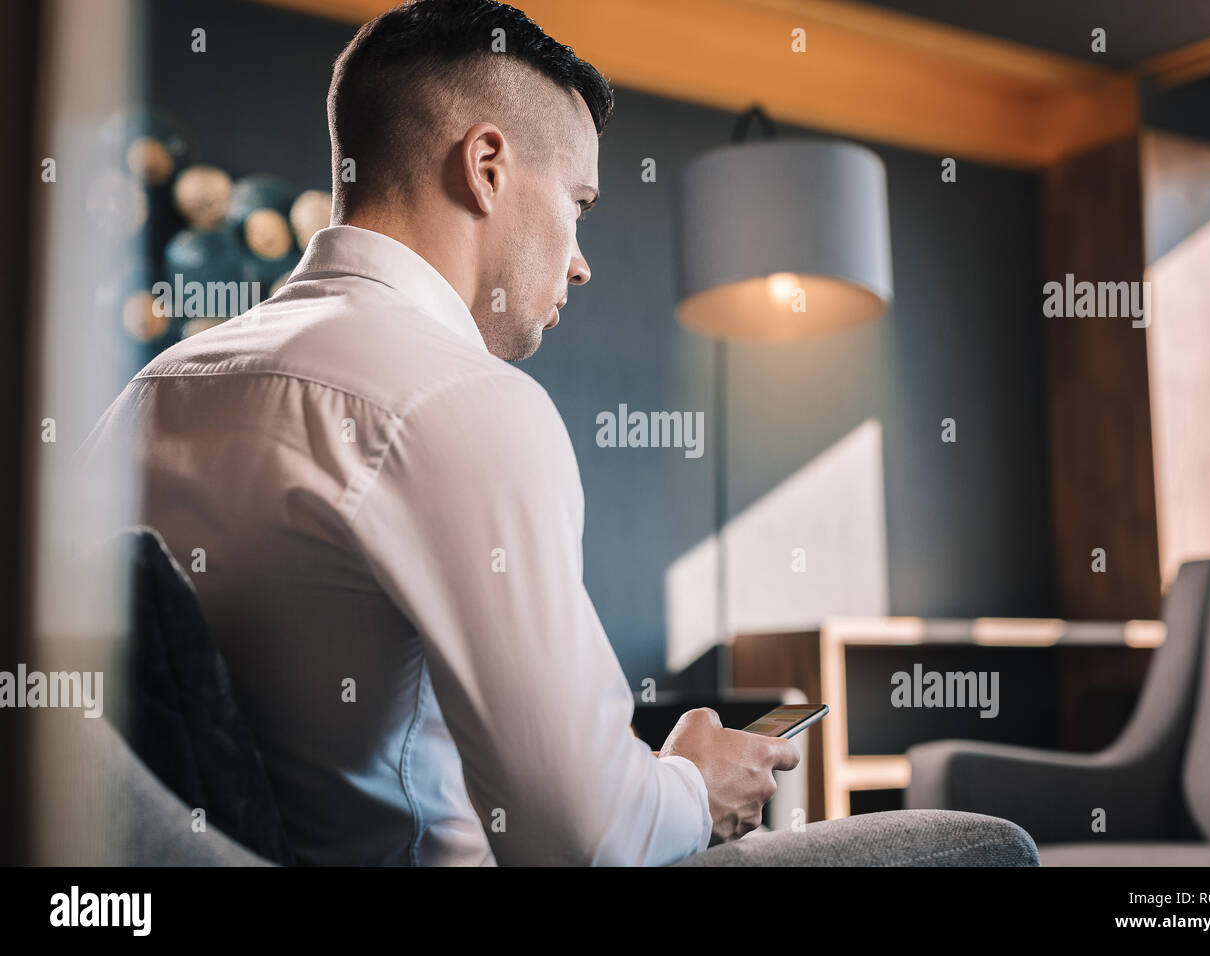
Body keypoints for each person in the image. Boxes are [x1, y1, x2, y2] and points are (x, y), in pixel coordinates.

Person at [76, 0, 797, 866]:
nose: (581, 259)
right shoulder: (465, 401)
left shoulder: (144, 397)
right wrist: (693, 783)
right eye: (577, 204)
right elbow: (584, 838)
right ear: (486, 166)